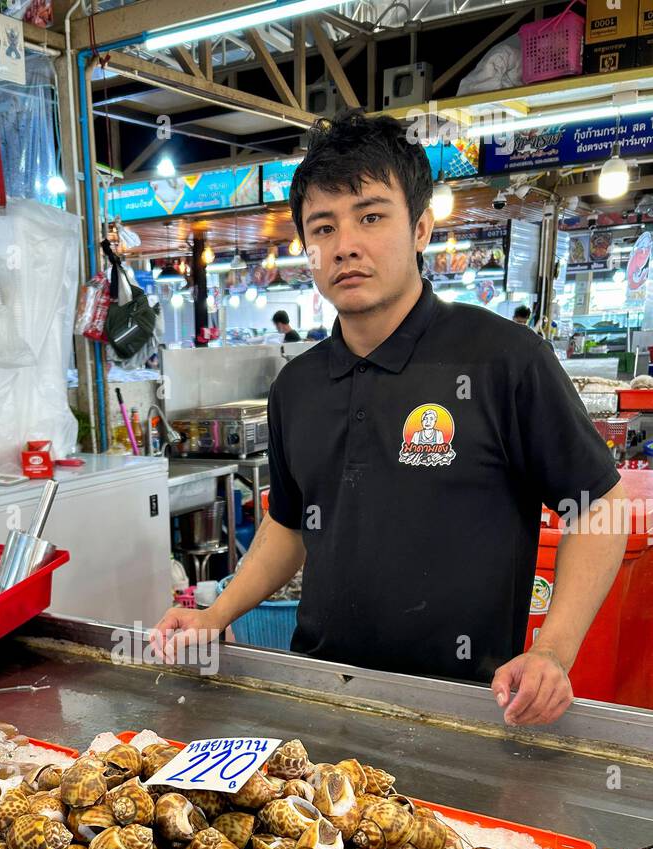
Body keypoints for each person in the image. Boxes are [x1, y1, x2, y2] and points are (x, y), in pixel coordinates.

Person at [154, 107, 628, 727]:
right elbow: (289, 525)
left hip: (469, 709)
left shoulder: (504, 360)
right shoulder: (296, 386)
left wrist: (552, 651)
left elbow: (599, 507)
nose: (345, 245)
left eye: (371, 216)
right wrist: (215, 614)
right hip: (322, 699)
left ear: (421, 228)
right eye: (323, 228)